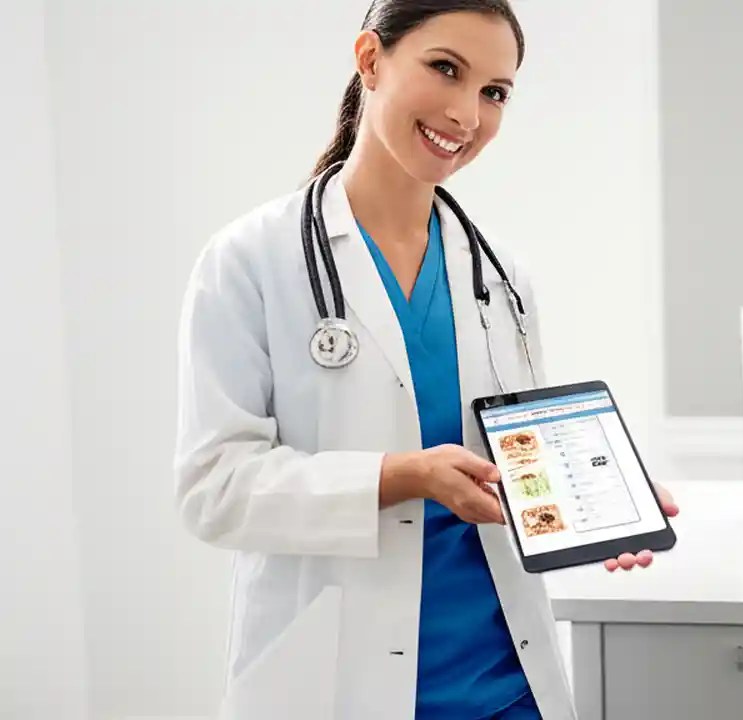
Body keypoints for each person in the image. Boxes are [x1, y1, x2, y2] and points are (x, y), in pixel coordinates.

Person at [173, 2, 677, 718]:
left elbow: (511, 454)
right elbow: (212, 489)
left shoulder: (500, 273)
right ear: (371, 59)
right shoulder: (250, 261)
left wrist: (586, 500)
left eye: (494, 92)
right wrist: (402, 476)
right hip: (339, 684)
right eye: (445, 69)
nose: (466, 113)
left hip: (506, 684)